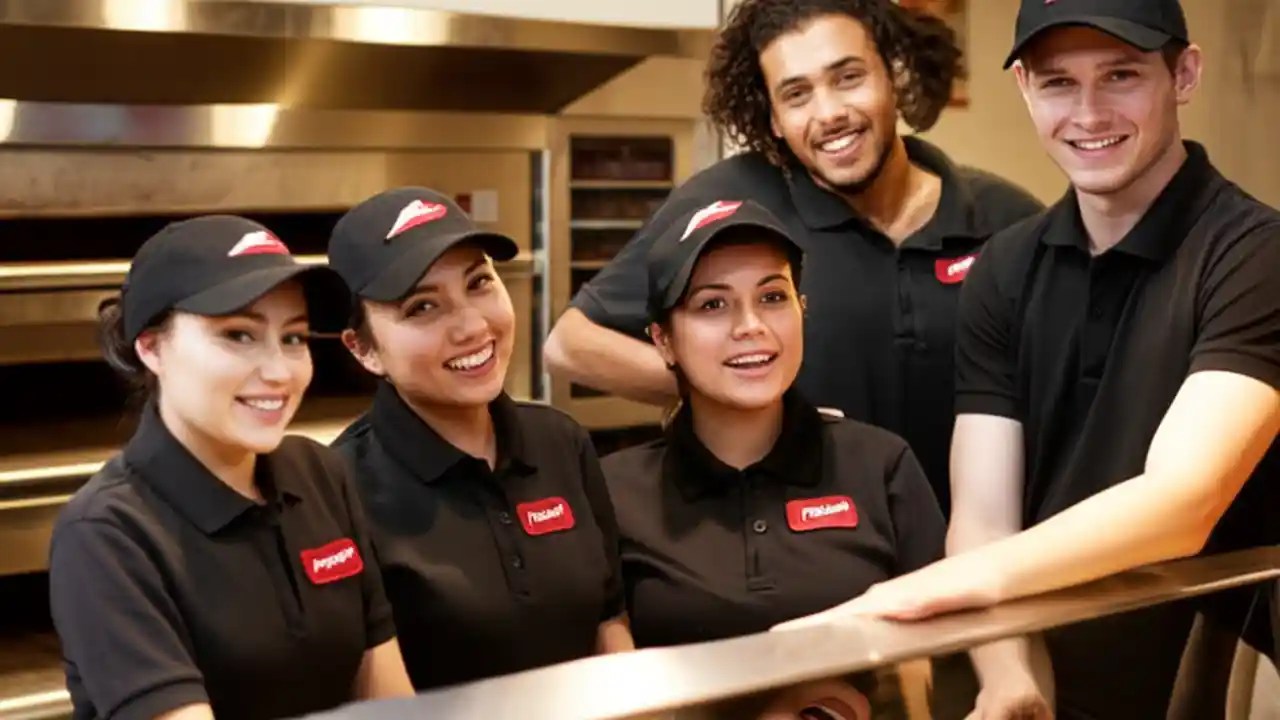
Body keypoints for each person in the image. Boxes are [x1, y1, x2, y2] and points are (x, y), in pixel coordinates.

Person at [775, 1, 1280, 718]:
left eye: (1121, 76)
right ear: (1023, 89)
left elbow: (1184, 501)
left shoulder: (1253, 254)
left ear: (1185, 73)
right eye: (1058, 83)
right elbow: (983, 515)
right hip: (1059, 677)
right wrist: (1010, 675)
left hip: (1219, 681)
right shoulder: (1006, 268)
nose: (1089, 112)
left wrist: (916, 593)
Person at [545, 0, 1045, 514]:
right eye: (796, 94)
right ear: (775, 120)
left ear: (894, 75)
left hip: (978, 552)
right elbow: (571, 346)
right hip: (800, 555)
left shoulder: (1008, 222)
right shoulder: (734, 199)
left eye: (848, 77)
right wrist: (739, 385)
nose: (828, 114)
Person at [49, 216, 415, 720]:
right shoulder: (107, 535)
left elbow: (390, 701)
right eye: (239, 335)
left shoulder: (320, 473)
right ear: (152, 346)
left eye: (294, 338)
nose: (279, 372)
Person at [601, 199, 947, 715]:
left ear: (801, 310)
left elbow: (935, 667)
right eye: (712, 305)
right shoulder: (614, 490)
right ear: (663, 340)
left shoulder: (881, 465)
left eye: (772, 296)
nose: (751, 325)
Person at [326, 187, 633, 691]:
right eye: (423, 307)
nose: (471, 326)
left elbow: (609, 620)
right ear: (364, 350)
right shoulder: (340, 490)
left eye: (479, 282)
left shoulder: (561, 442)